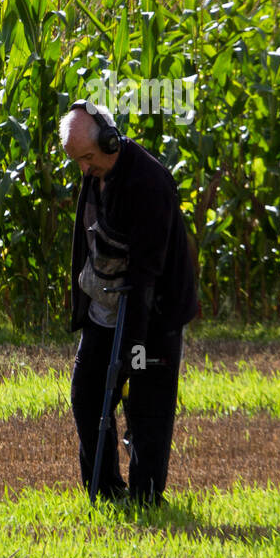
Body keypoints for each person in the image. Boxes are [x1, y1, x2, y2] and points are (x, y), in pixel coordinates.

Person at [60, 100, 199, 507]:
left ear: (110, 139)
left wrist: (127, 356)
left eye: (88, 157)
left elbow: (145, 280)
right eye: (78, 161)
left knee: (147, 408)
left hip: (152, 316)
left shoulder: (149, 184)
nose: (84, 169)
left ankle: (146, 499)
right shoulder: (97, 171)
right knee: (87, 395)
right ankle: (105, 492)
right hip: (105, 310)